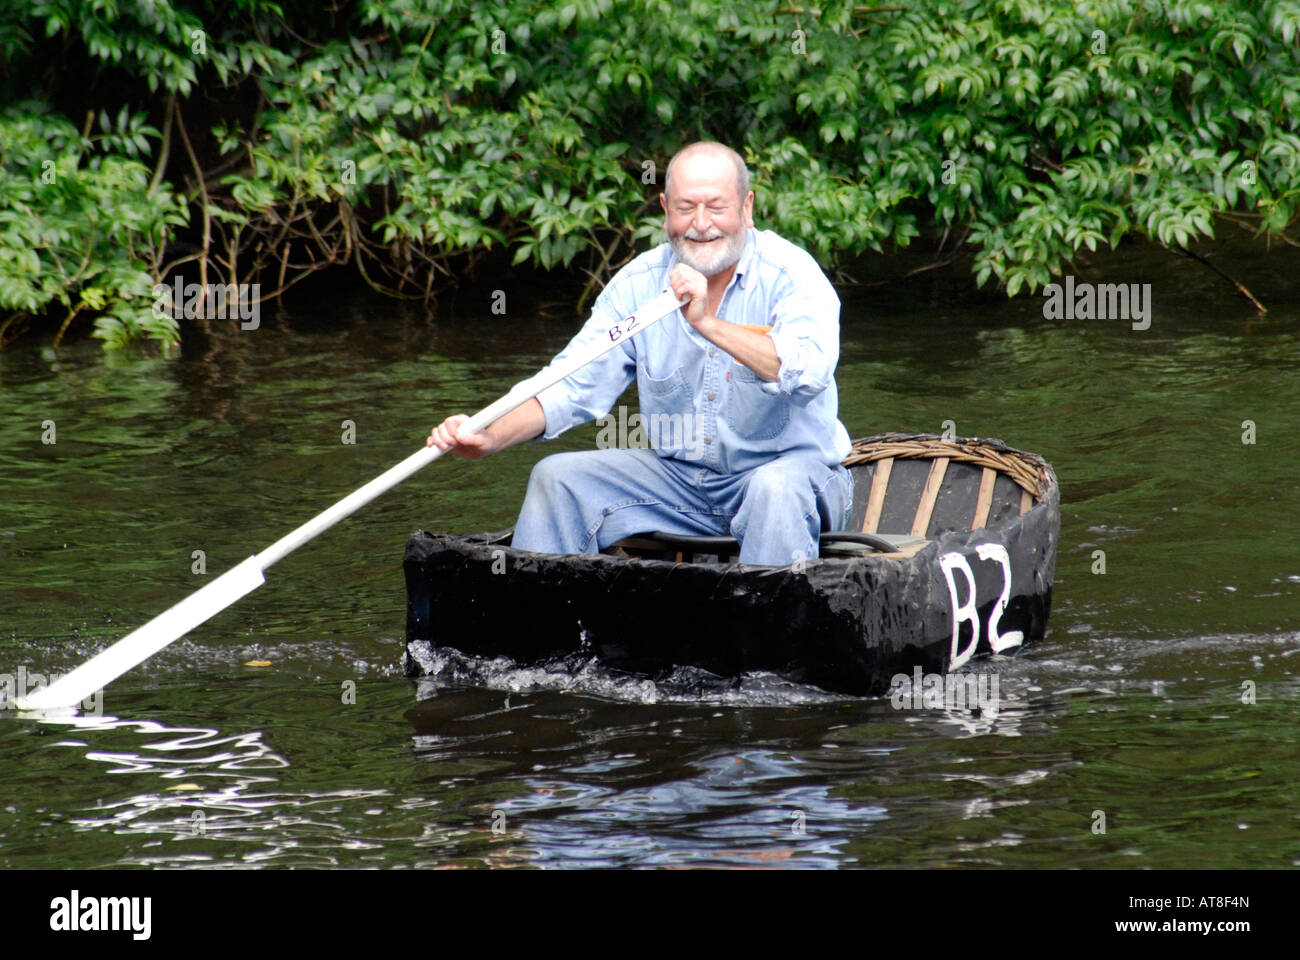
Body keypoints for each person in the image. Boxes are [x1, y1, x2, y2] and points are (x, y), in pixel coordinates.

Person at [426, 141, 852, 566]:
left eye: (716, 207)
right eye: (686, 208)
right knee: (556, 478)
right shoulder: (638, 284)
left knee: (772, 490)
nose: (700, 224)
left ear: (746, 206)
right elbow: (570, 385)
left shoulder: (793, 275)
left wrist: (707, 324)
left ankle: (761, 629)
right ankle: (547, 627)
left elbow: (806, 370)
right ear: (665, 209)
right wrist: (489, 435)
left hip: (793, 477)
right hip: (680, 484)